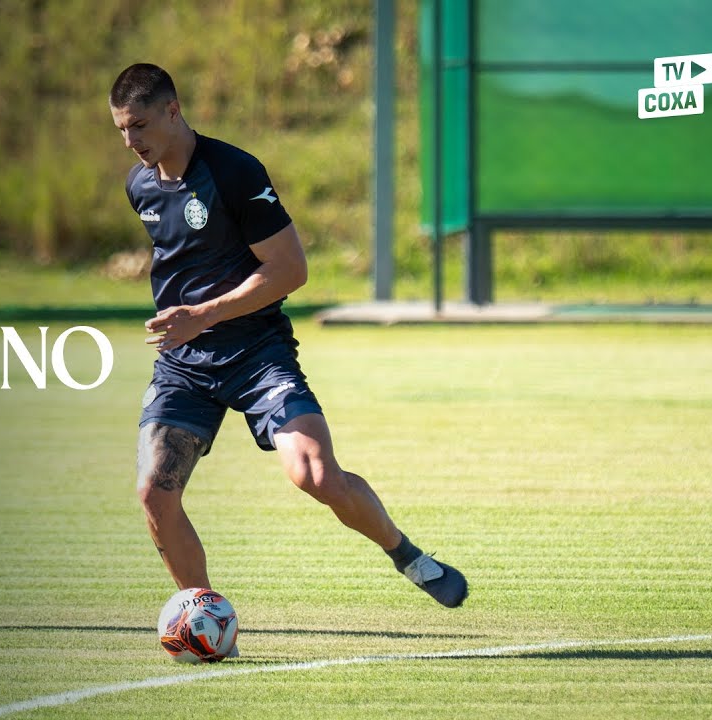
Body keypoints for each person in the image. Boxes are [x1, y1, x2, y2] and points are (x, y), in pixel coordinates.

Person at [109, 63, 468, 616]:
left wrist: (203, 313)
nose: (131, 141)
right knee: (154, 493)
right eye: (122, 130)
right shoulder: (141, 187)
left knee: (316, 475)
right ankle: (202, 616)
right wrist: (191, 325)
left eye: (139, 126)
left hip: (257, 355)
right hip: (184, 364)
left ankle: (408, 555)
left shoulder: (233, 171)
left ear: (173, 110)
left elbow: (290, 269)